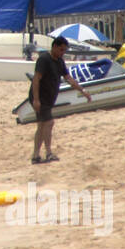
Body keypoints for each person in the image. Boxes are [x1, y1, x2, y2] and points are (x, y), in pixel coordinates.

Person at [29, 36, 92, 164]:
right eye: (61, 50)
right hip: (40, 97)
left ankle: (35, 156)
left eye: (64, 50)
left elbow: (69, 79)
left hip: (48, 98)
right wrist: (36, 100)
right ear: (54, 47)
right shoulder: (44, 59)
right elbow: (36, 79)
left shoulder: (59, 61)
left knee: (41, 126)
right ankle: (48, 153)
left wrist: (83, 91)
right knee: (49, 123)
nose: (62, 53)